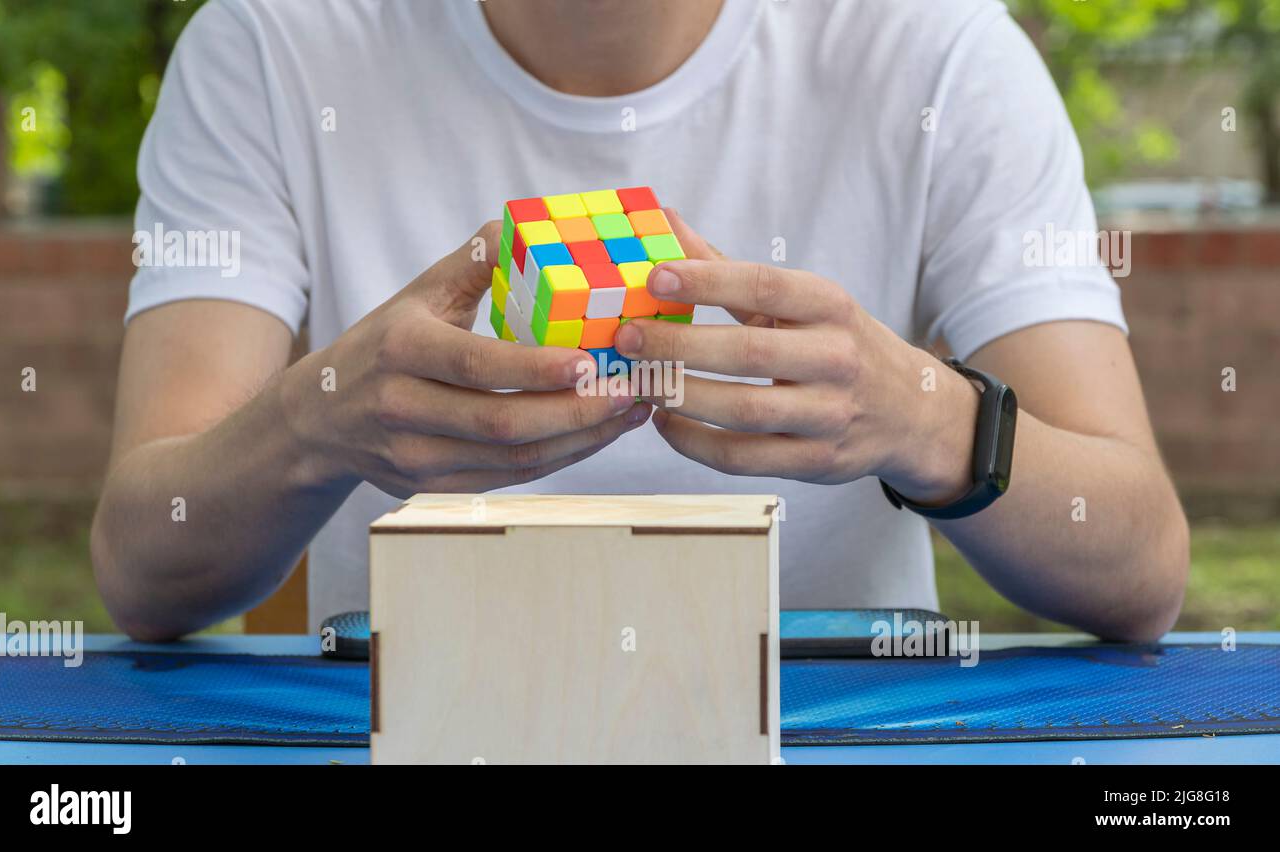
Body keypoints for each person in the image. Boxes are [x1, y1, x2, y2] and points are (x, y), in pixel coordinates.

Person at [91, 0, 1189, 642]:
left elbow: (1143, 566)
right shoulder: (265, 44)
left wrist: (928, 423)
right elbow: (142, 565)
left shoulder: (942, 49)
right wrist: (313, 421)